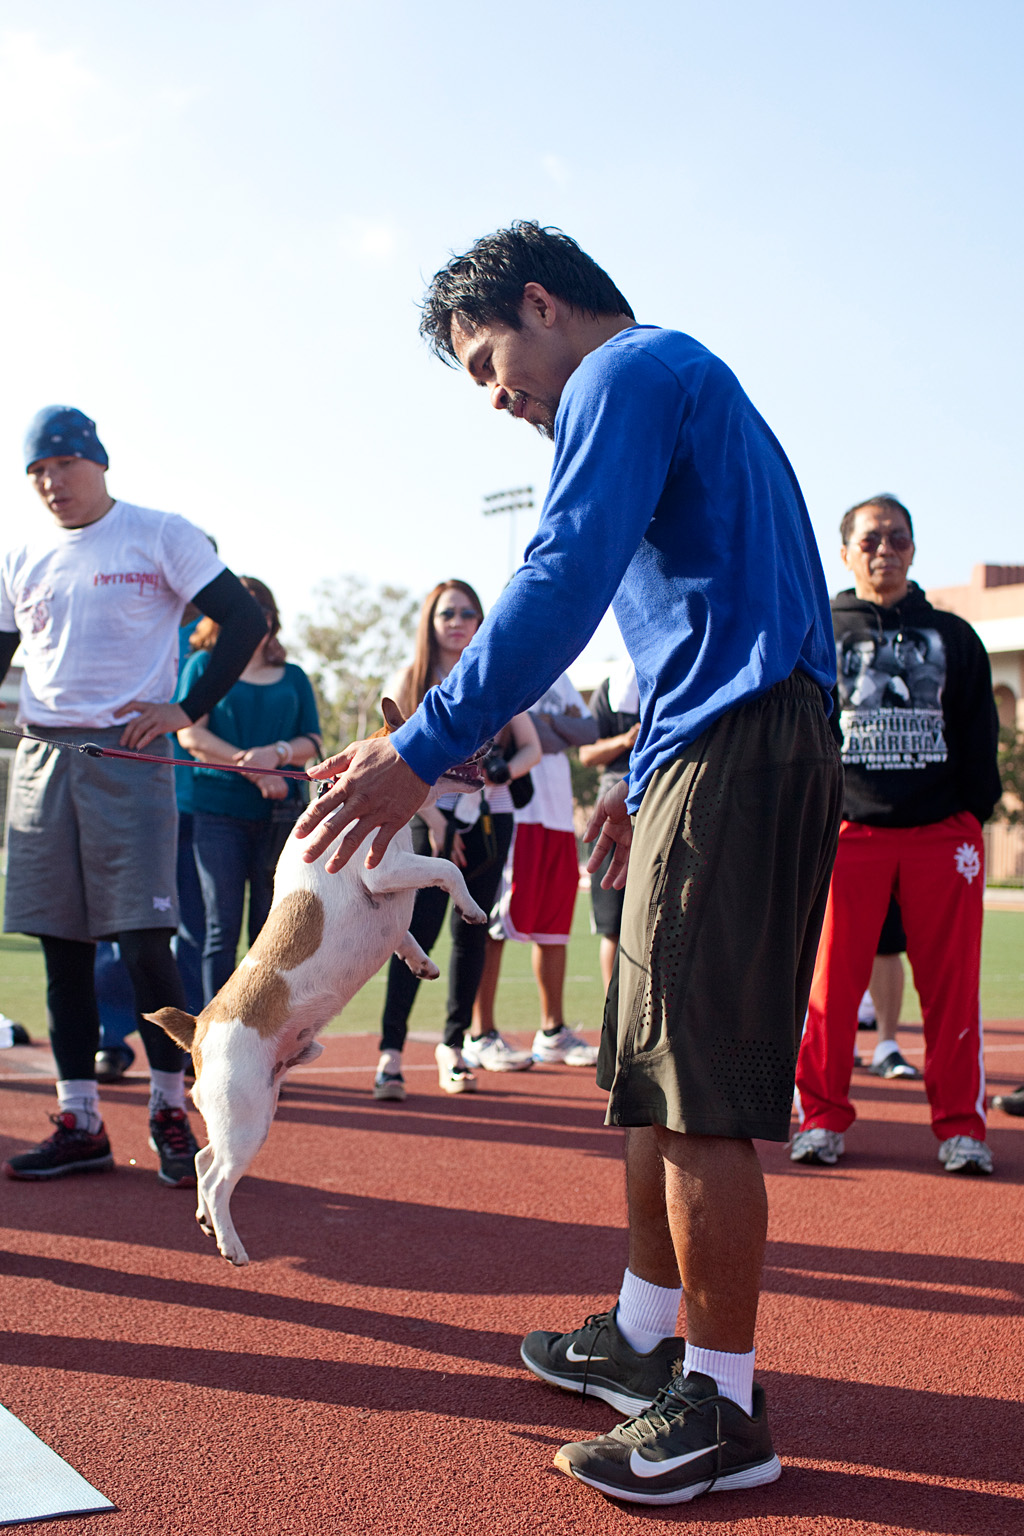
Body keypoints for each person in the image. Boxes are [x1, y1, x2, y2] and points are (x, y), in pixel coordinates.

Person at [293, 222, 841, 1507]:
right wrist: (643, 776)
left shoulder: (623, 372)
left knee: (696, 1086)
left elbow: (561, 577)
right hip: (708, 744)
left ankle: (723, 1407)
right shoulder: (671, 379)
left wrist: (420, 748)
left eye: (487, 362)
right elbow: (719, 612)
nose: (496, 399)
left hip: (739, 747)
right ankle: (646, 1336)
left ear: (541, 303)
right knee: (650, 1070)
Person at [0, 406, 266, 1187]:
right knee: (61, 945)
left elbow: (243, 618)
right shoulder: (20, 554)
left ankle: (170, 1109)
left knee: (146, 942)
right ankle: (80, 1120)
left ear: (99, 461)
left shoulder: (158, 533)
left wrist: (186, 710)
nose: (52, 481)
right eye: (37, 470)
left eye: (64, 464)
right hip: (43, 758)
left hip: (129, 753)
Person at [792, 496, 1001, 1175]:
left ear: (913, 549)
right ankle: (821, 1119)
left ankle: (962, 1129)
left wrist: (970, 814)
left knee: (952, 989)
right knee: (830, 988)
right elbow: (802, 727)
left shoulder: (954, 635)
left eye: (899, 539)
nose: (886, 550)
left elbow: (979, 733)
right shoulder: (817, 628)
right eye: (871, 539)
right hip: (849, 833)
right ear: (845, 552)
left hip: (942, 835)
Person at [375, 580, 539, 1098]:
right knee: (413, 934)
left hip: (491, 820)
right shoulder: (412, 678)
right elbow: (391, 753)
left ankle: (454, 1047)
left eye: (469, 613)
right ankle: (390, 1055)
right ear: (430, 621)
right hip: (427, 820)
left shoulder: (495, 673)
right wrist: (436, 820)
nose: (458, 622)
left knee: (473, 934)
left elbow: (531, 748)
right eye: (447, 613)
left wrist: (502, 772)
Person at [176, 577, 322, 1001]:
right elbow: (190, 734)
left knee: (270, 928)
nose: (255, 619)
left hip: (280, 818)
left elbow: (312, 740)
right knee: (220, 928)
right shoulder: (202, 666)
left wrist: (276, 753)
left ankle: (261, 1027)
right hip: (216, 813)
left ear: (273, 621)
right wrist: (254, 768)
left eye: (263, 611)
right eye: (244, 610)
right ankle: (214, 1029)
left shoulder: (294, 676)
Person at [472, 671, 598, 1068]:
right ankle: (480, 1034)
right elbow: (528, 736)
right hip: (517, 811)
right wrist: (555, 731)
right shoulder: (515, 660)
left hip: (559, 816)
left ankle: (553, 1032)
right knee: (496, 925)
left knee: (554, 926)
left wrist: (544, 725)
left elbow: (589, 730)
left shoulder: (562, 675)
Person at [578, 661, 641, 993]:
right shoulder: (614, 686)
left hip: (664, 805)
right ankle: (611, 1013)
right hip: (616, 814)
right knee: (613, 926)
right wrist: (625, 740)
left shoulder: (675, 672)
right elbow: (587, 753)